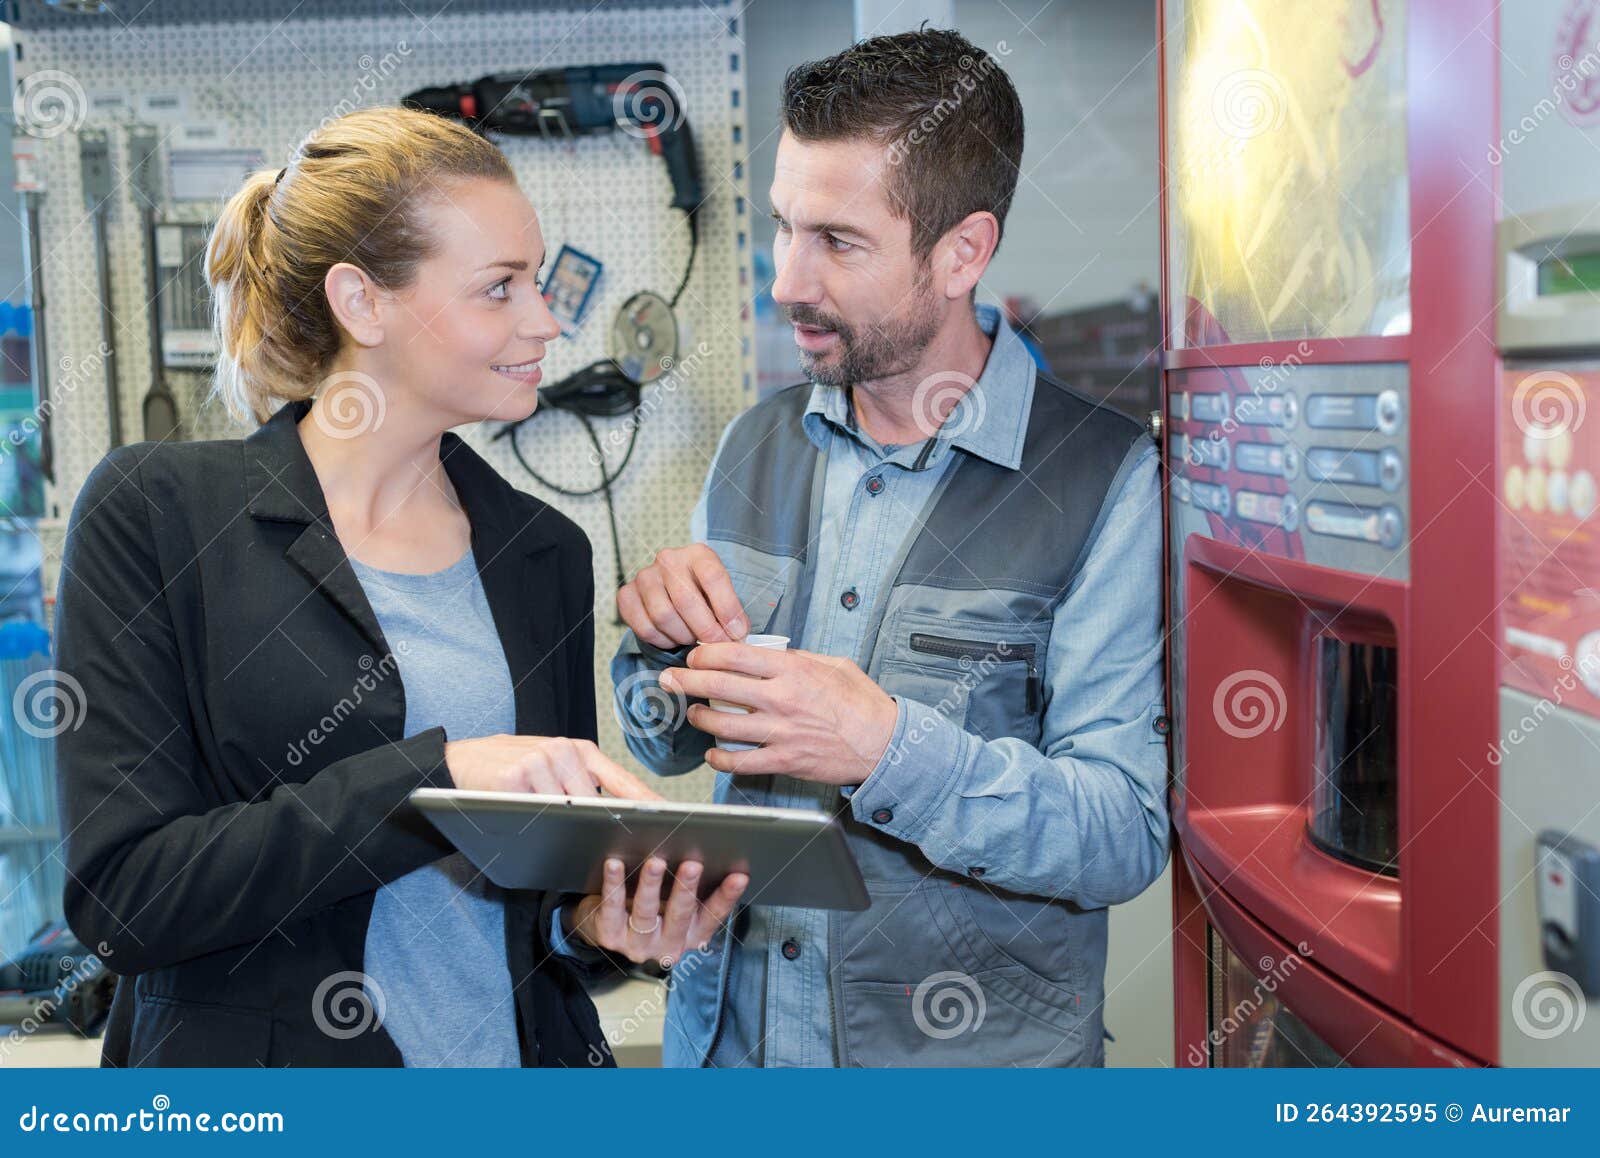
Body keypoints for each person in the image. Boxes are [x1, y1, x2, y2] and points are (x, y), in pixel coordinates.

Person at [53, 106, 743, 1068]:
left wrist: (599, 924)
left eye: (534, 282)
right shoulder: (159, 515)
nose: (544, 321)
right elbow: (128, 900)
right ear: (363, 303)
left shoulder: (540, 550)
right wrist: (438, 778)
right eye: (498, 289)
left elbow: (535, 908)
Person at [608, 29, 1169, 1067]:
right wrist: (657, 666)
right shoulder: (756, 441)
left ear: (961, 252)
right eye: (783, 227)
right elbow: (673, 740)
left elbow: (1121, 833)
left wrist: (884, 751)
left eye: (837, 241)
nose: (786, 282)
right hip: (730, 1057)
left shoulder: (1104, 478)